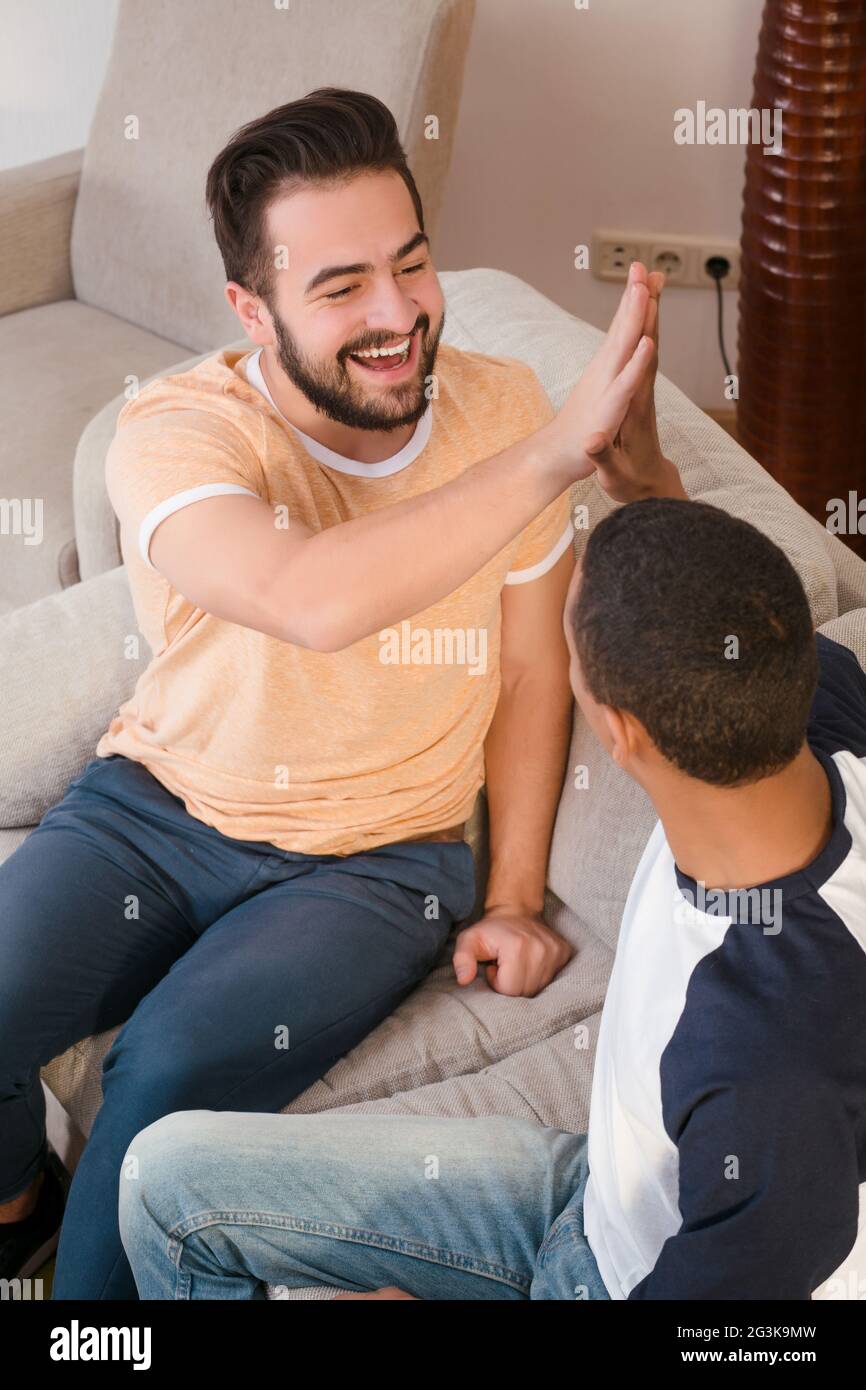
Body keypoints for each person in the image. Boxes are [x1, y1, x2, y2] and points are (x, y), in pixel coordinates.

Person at [0, 87, 664, 1298]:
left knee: (160, 1080)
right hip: (156, 806)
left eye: (410, 263)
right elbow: (304, 594)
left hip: (374, 865)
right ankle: (14, 1200)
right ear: (250, 311)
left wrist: (512, 898)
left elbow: (529, 670)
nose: (398, 314)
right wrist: (546, 459)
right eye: (342, 285)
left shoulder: (500, 412)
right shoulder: (177, 431)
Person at [118, 489, 866, 1301]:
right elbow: (713, 628)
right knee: (163, 1183)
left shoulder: (765, 1071)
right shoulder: (818, 716)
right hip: (599, 1197)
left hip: (621, 1281)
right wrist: (646, 480)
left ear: (620, 733)